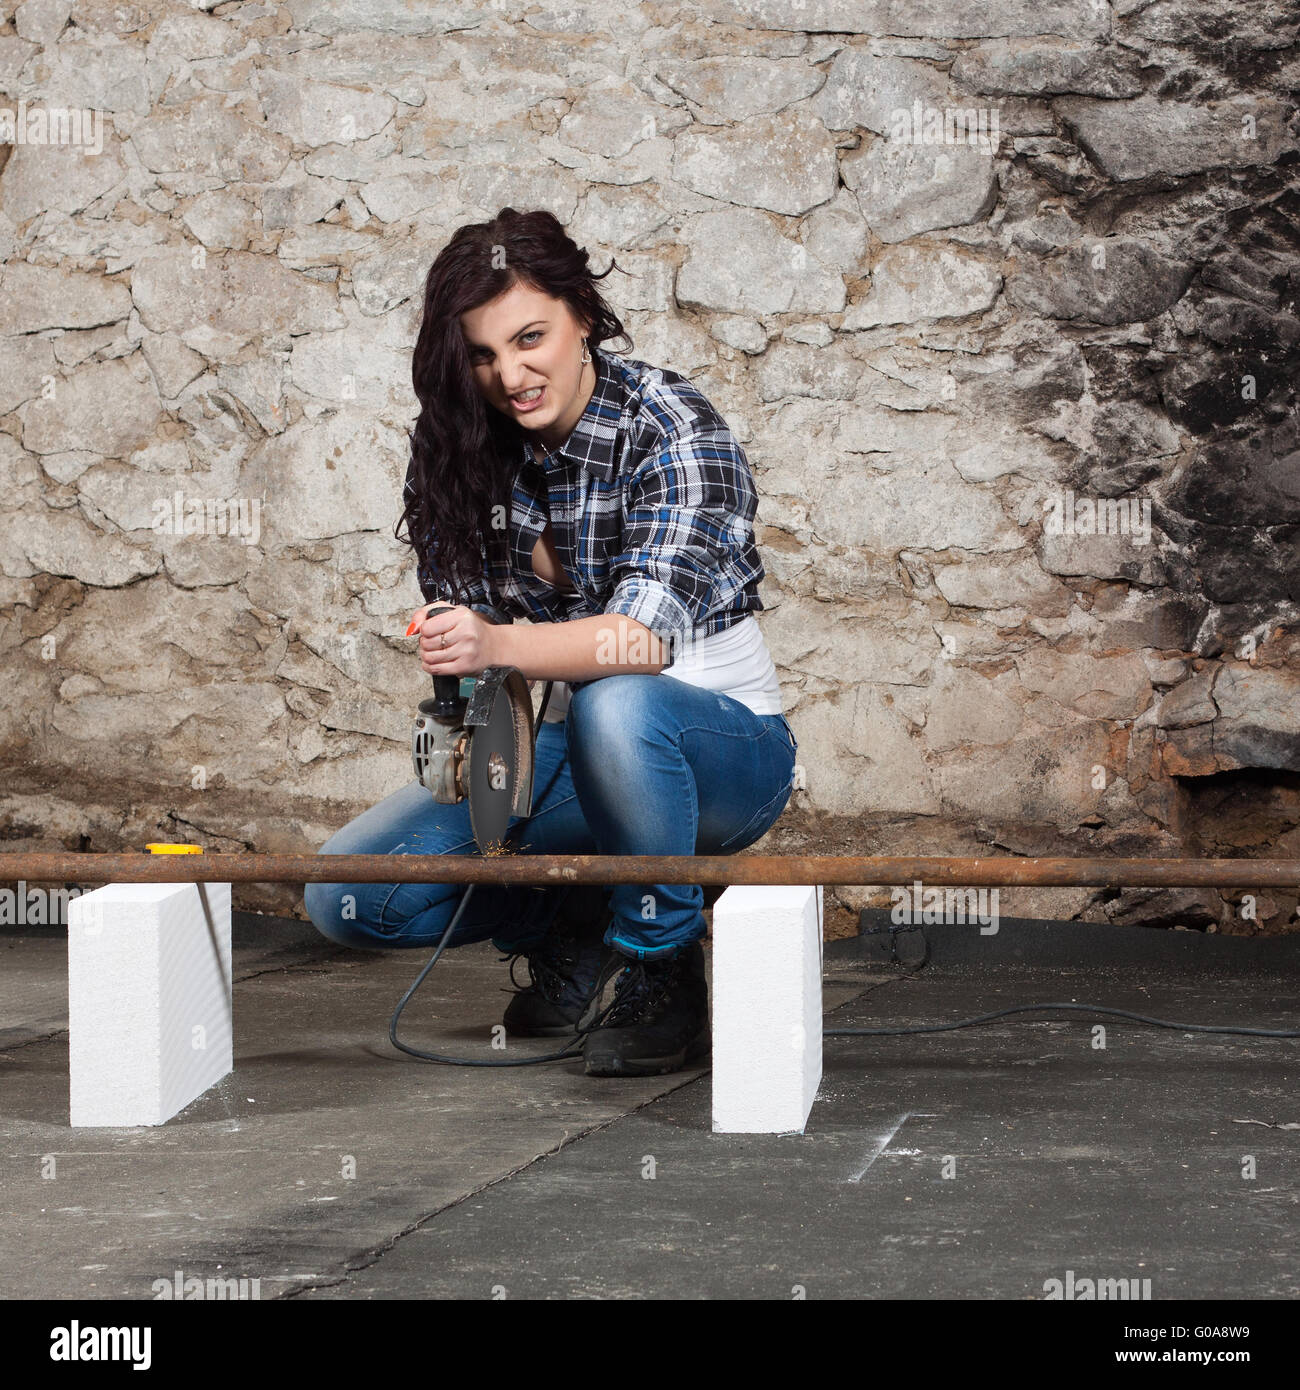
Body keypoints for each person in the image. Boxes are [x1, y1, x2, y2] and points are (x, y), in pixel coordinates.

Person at [304, 206, 798, 1077]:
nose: (512, 375)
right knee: (350, 894)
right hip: (573, 752)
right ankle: (583, 927)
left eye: (531, 338)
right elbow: (490, 667)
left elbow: (640, 645)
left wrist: (495, 641)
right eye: (484, 356)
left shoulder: (673, 425)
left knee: (617, 699)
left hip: (721, 748)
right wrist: (460, 666)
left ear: (582, 315)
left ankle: (661, 960)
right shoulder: (467, 447)